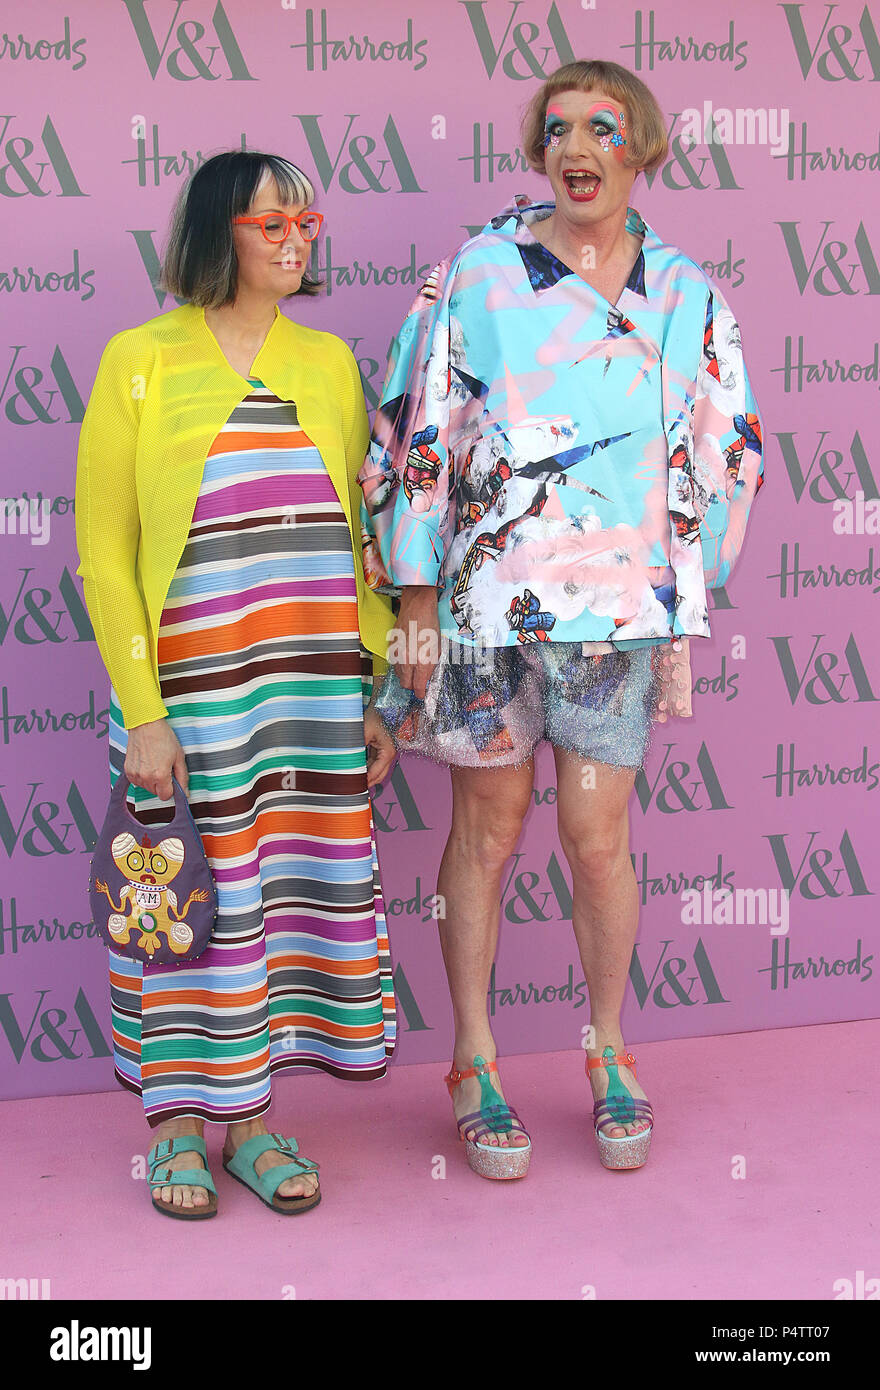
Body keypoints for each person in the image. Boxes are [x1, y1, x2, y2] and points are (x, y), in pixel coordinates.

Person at [357, 61, 764, 1178]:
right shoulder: (480, 274)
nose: (577, 147)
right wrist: (418, 601)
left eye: (603, 127)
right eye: (558, 130)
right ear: (537, 150)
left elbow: (728, 447)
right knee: (485, 835)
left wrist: (678, 589)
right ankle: (473, 1060)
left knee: (597, 840)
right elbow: (414, 429)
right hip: (487, 612)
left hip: (615, 623)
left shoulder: (685, 293)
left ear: (642, 149)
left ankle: (606, 1046)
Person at [75, 151, 397, 1218]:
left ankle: (253, 1122)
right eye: (269, 222)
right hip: (190, 705)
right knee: (183, 910)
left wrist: (370, 685)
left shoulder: (328, 363)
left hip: (302, 696)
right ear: (218, 232)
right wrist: (144, 716)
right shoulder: (139, 359)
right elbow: (105, 558)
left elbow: (361, 542)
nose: (295, 236)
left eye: (304, 218)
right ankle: (173, 1128)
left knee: (275, 911)